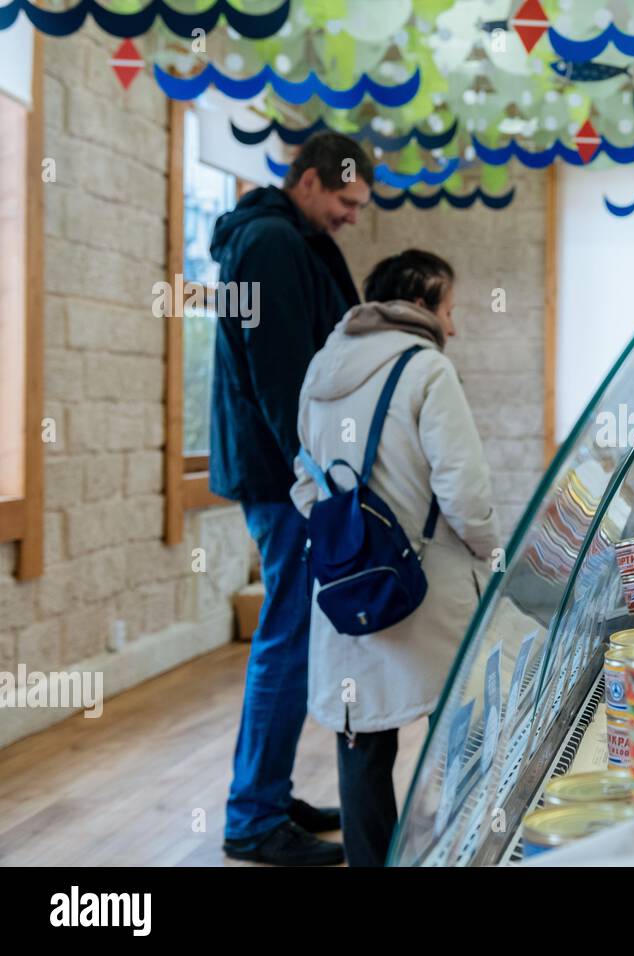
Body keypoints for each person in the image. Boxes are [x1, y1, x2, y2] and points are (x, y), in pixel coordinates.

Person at [290, 250, 501, 867]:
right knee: (463, 722)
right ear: (422, 300)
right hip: (428, 587)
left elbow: (303, 482)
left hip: (345, 584)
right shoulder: (427, 370)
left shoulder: (320, 370)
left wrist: (346, 537)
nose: (454, 326)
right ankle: (462, 853)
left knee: (361, 734)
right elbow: (464, 490)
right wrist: (496, 554)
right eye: (450, 308)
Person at [209, 132, 374, 866]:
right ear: (308, 181)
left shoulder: (281, 237)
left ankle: (266, 794)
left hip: (285, 473)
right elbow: (280, 379)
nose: (350, 216)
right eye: (345, 201)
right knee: (283, 636)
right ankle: (252, 817)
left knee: (293, 636)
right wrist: (314, 483)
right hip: (286, 480)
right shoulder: (271, 244)